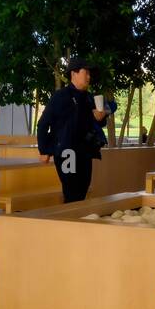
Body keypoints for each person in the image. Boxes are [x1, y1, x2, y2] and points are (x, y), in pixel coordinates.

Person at [36, 56, 107, 203]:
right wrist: (44, 150)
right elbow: (43, 124)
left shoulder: (88, 98)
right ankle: (69, 224)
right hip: (67, 152)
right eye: (85, 72)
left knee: (82, 189)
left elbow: (94, 124)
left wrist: (100, 118)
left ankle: (76, 223)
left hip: (85, 152)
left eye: (89, 73)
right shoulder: (60, 96)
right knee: (72, 191)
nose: (88, 76)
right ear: (73, 74)